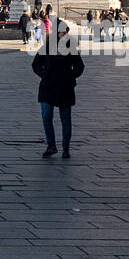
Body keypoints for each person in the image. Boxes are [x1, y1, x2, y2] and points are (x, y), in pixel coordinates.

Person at [31, 17, 84, 159]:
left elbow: (80, 66)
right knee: (46, 116)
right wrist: (45, 75)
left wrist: (71, 76)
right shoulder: (47, 48)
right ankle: (51, 145)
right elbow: (35, 64)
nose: (63, 35)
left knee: (65, 119)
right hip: (47, 87)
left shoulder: (71, 49)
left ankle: (66, 148)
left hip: (65, 88)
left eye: (65, 32)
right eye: (61, 32)